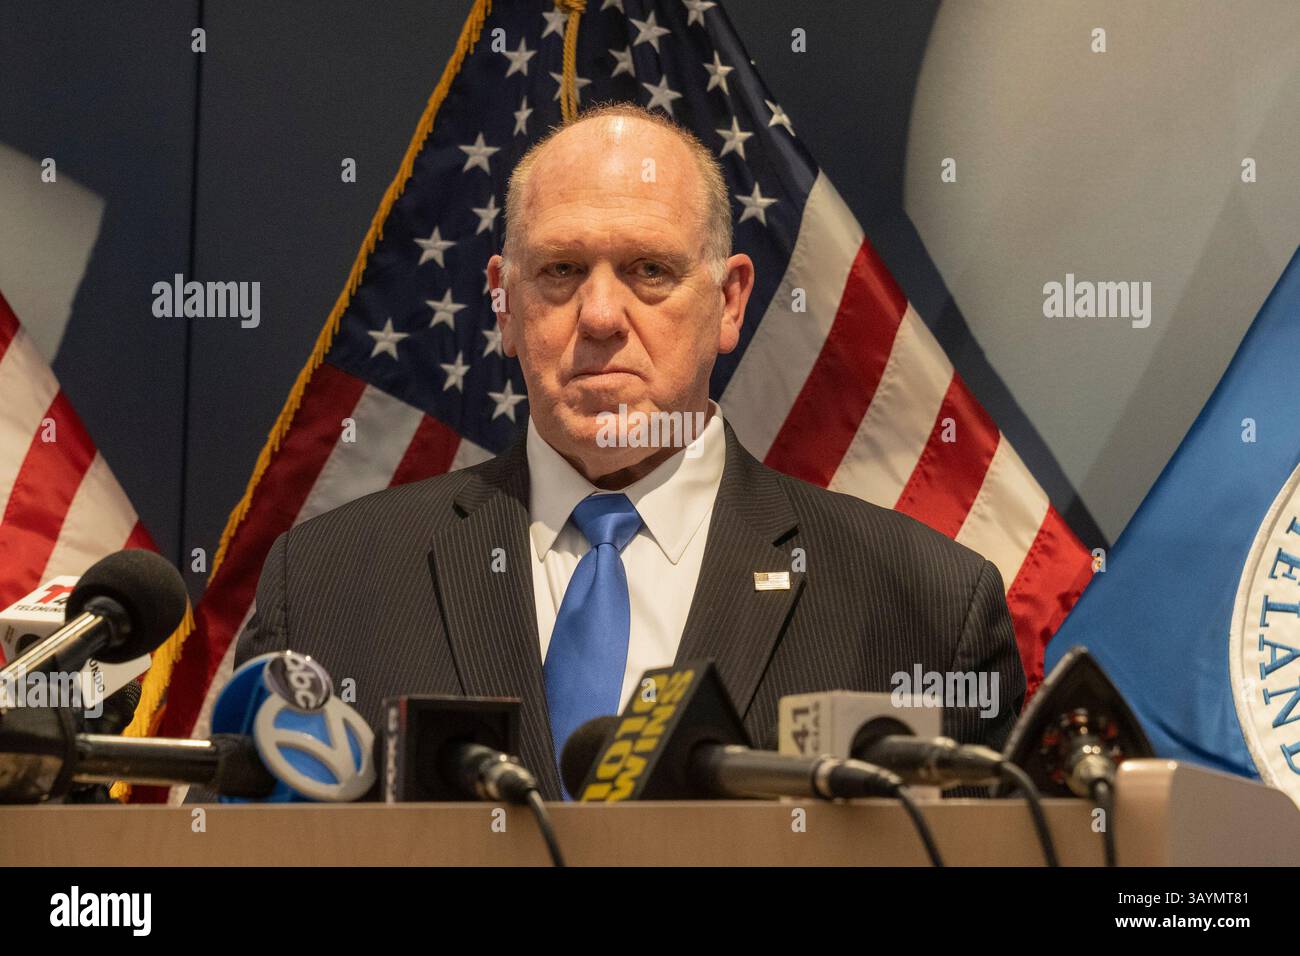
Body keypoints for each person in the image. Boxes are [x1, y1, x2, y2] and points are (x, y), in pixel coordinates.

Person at [236, 103, 1025, 799]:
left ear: (731, 302)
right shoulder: (327, 587)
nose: (603, 315)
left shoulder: (923, 608)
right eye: (561, 271)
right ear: (504, 304)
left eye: (650, 271)